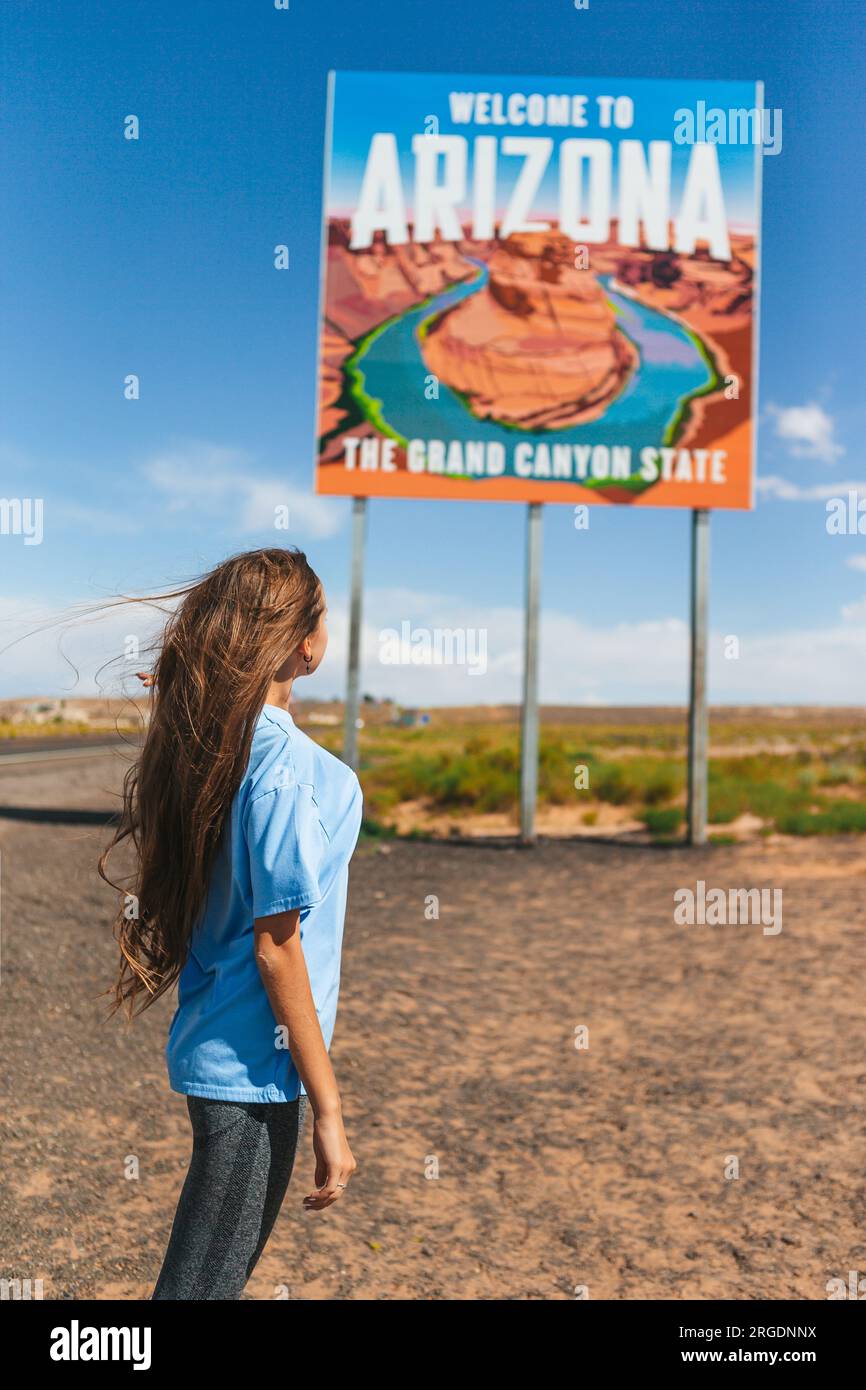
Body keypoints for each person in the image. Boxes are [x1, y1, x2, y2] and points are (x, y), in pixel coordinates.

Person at [100, 547, 362, 1300]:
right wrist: (330, 1110)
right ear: (304, 645)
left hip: (218, 1055)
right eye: (320, 620)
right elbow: (277, 950)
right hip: (254, 1078)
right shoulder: (294, 771)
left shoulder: (215, 747)